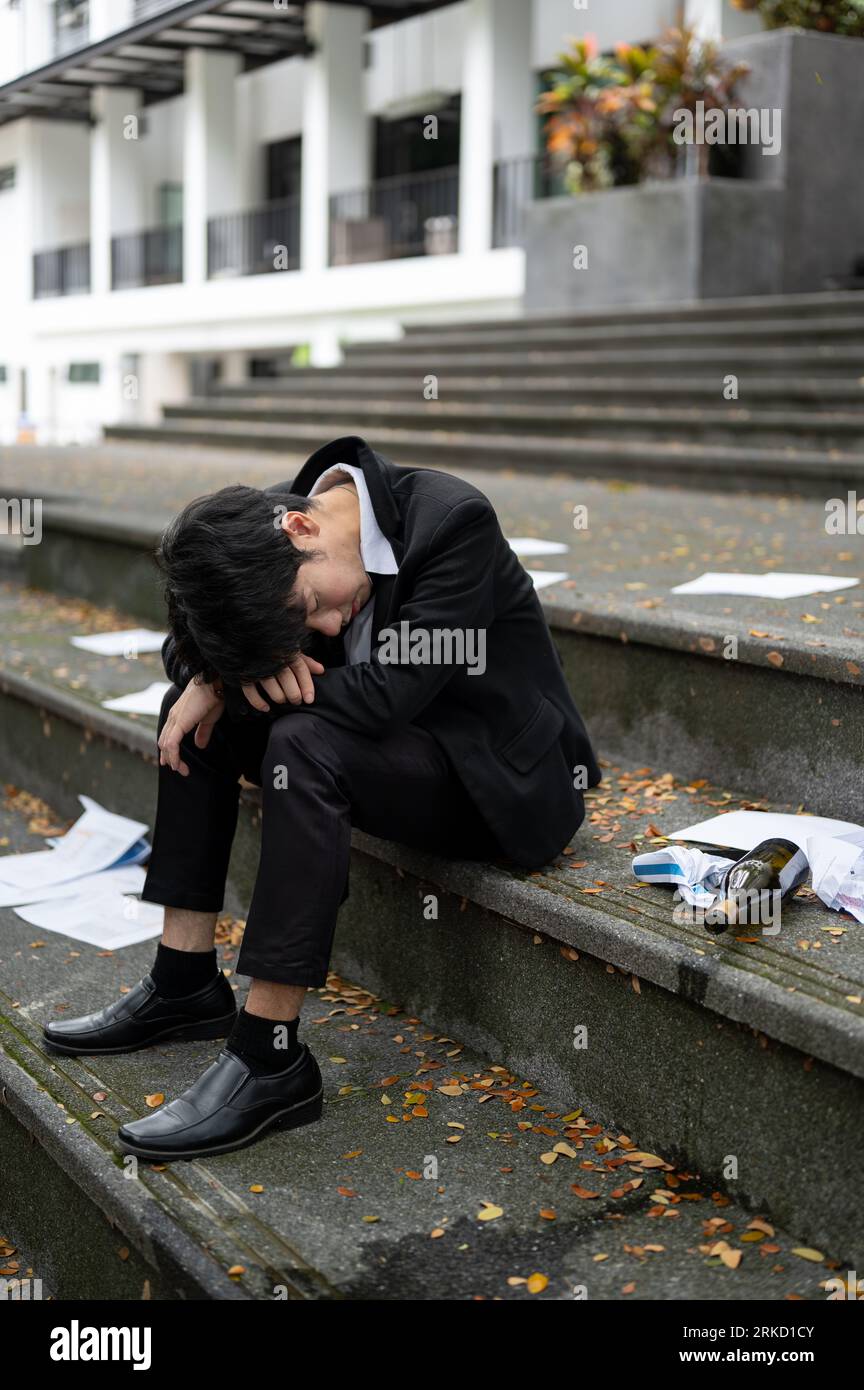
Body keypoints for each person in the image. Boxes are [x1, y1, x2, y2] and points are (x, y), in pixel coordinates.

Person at [41, 434, 602, 1162]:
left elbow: (390, 691)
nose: (329, 628)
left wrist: (241, 680)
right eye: (306, 625)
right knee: (193, 711)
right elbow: (184, 643)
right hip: (386, 762)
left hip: (496, 779)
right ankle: (183, 984)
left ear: (304, 530)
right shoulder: (267, 529)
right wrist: (212, 678)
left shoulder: (453, 522)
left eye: (311, 607)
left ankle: (271, 1056)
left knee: (300, 740)